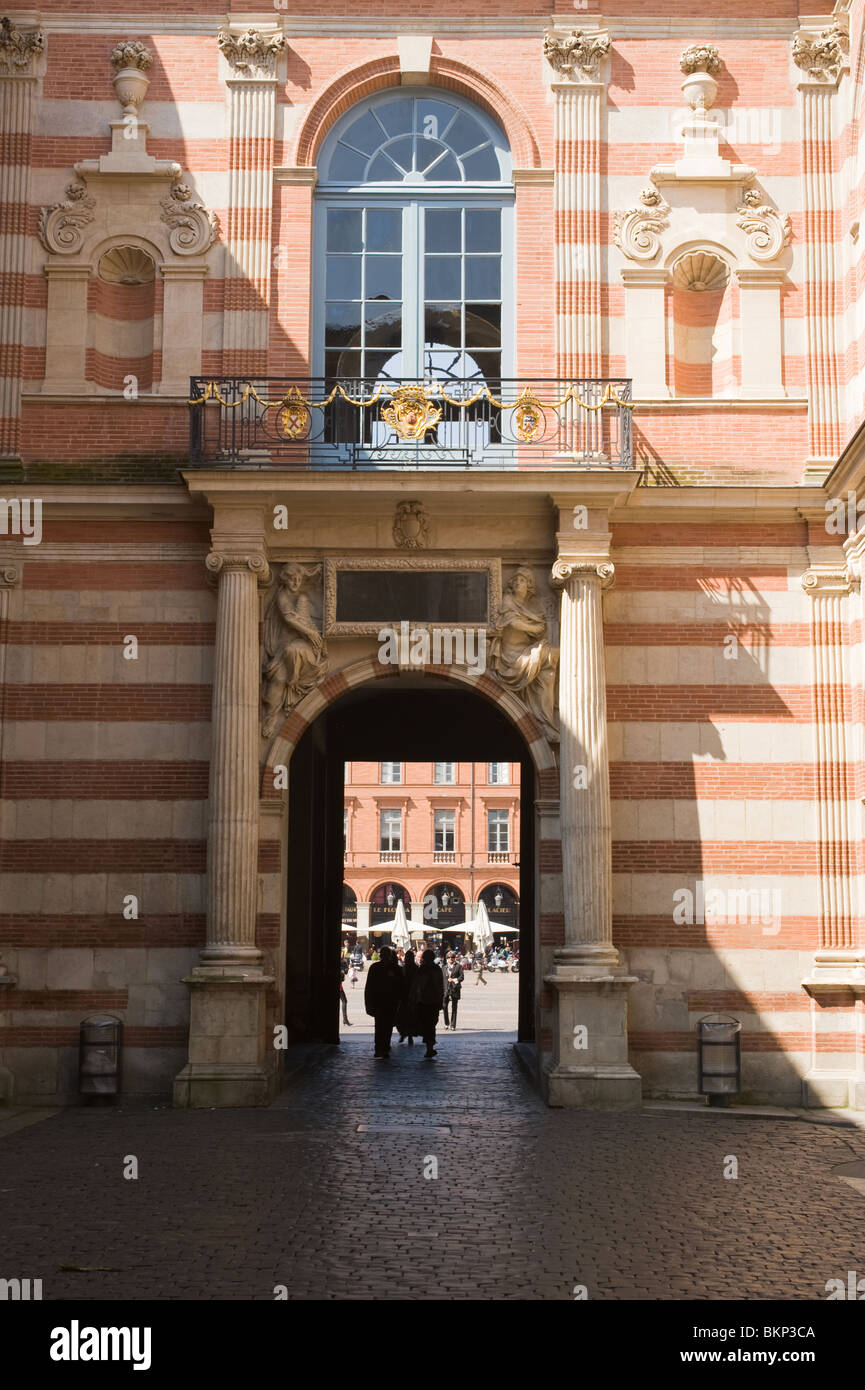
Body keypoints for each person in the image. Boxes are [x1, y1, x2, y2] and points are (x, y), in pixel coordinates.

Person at [364, 944, 403, 1058]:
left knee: (383, 1026)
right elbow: (370, 987)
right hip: (382, 1003)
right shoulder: (391, 968)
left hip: (387, 1002)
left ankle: (382, 1048)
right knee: (383, 1026)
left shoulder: (390, 968)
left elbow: (369, 987)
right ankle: (382, 1048)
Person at [411, 949, 444, 1059]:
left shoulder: (422, 969)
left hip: (424, 1001)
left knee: (427, 1024)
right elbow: (440, 986)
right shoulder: (436, 969)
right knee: (431, 1024)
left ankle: (429, 1046)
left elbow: (417, 985)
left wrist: (414, 997)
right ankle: (430, 1046)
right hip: (433, 1001)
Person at [396, 949, 419, 1045]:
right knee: (406, 1016)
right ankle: (406, 1034)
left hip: (409, 996)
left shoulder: (411, 968)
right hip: (406, 996)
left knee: (406, 1017)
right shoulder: (408, 968)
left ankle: (407, 1035)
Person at [443, 951, 464, 1031]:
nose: (450, 959)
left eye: (452, 957)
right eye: (448, 957)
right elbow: (442, 980)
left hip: (455, 990)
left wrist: (454, 980)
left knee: (454, 1008)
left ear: (455, 958)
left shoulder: (458, 966)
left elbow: (462, 977)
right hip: (446, 990)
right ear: (446, 959)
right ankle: (446, 1023)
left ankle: (453, 1025)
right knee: (444, 1007)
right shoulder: (444, 967)